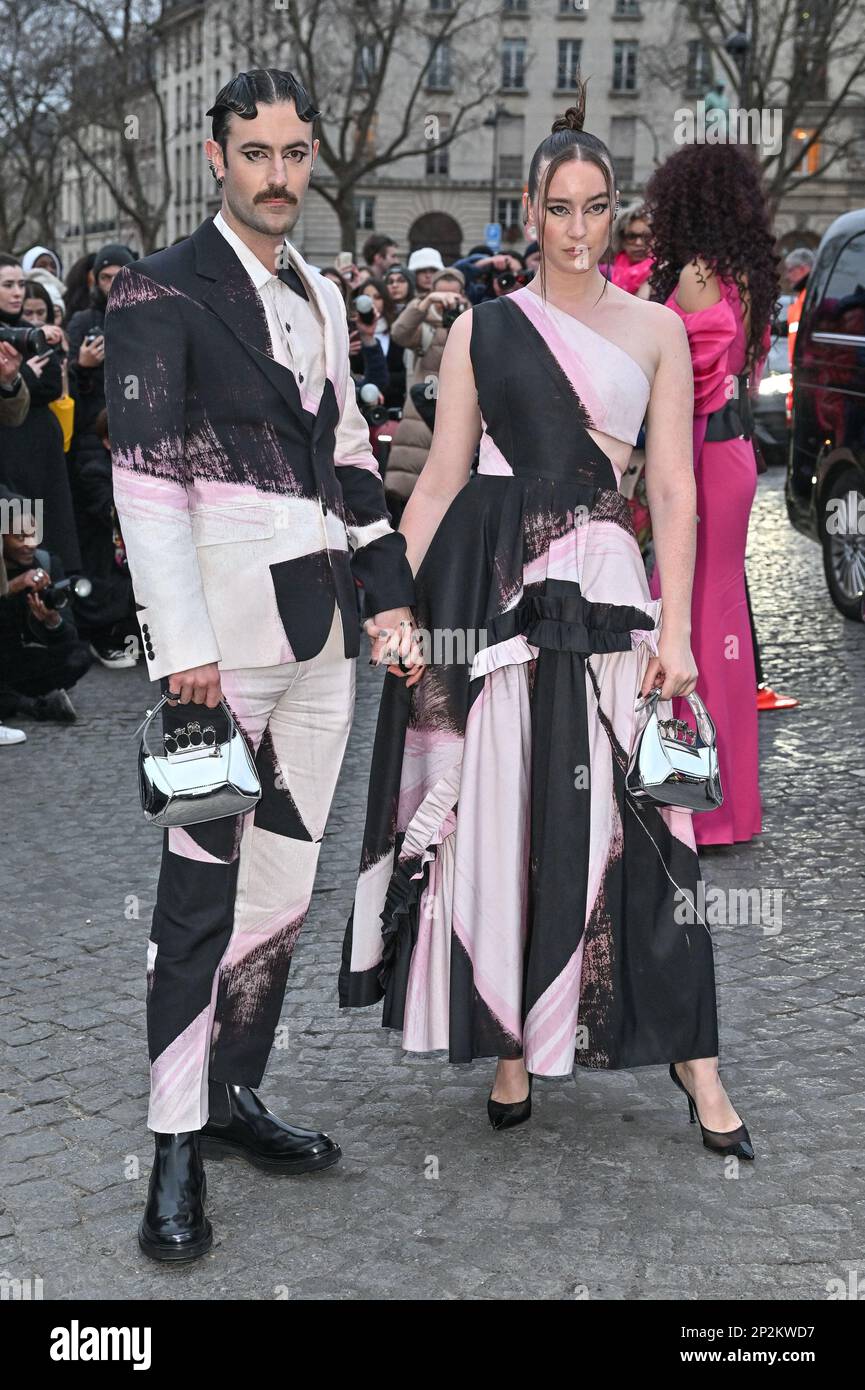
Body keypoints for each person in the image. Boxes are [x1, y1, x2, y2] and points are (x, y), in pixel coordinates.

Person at [340, 86, 753, 1162]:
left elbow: (672, 488)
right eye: (559, 207)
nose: (577, 228)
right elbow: (435, 479)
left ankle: (693, 1057)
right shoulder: (482, 329)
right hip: (495, 604)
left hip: (611, 595)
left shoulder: (657, 329)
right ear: (528, 209)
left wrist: (673, 634)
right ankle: (517, 1040)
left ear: (620, 213)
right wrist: (396, 603)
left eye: (595, 207)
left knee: (647, 832)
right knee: (508, 821)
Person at [104, 67, 419, 1264]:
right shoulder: (158, 292)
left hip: (326, 639)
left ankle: (232, 1094)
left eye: (296, 152)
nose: (280, 175)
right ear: (214, 154)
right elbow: (143, 487)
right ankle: (174, 1142)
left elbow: (348, 453)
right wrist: (181, 650)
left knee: (283, 889)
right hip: (221, 655)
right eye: (257, 153)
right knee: (195, 901)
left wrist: (387, 601)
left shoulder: (323, 294)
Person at [644, 143, 780, 846]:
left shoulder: (697, 274)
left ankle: (695, 804)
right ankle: (728, 808)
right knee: (719, 618)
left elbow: (682, 388)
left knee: (685, 616)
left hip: (697, 457)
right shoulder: (744, 274)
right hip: (732, 454)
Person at [0, 259, 81, 574]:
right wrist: (23, 378)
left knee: (46, 535)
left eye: (20, 284)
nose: (17, 293)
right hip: (8, 451)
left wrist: (20, 378)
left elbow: (49, 383)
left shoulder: (29, 334)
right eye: (8, 285)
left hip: (38, 448)